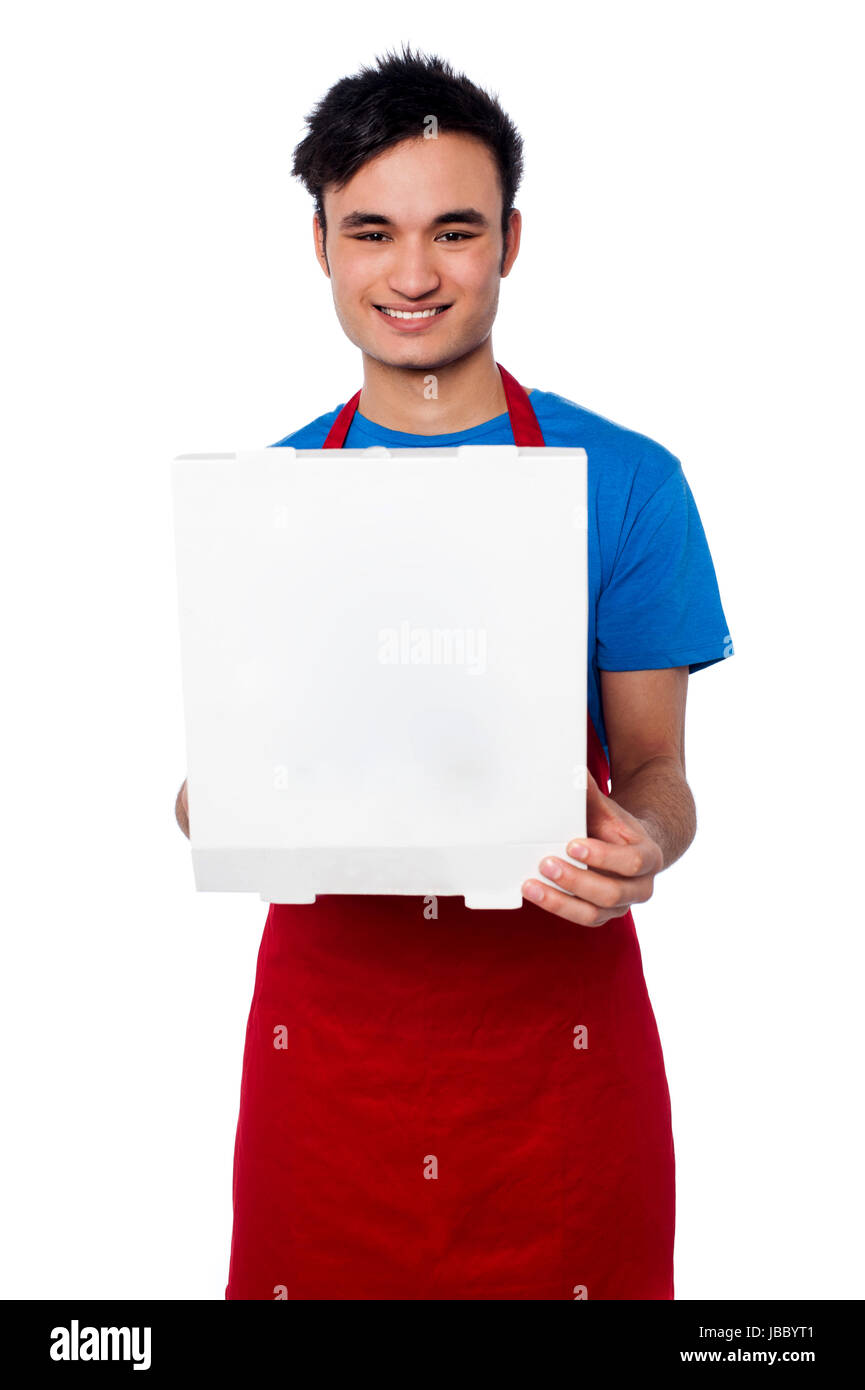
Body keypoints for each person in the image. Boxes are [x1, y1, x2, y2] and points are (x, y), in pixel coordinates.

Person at [175, 45, 734, 1300]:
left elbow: (657, 773)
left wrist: (641, 838)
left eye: (455, 231)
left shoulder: (630, 481)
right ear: (318, 242)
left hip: (555, 1059)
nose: (414, 274)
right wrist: (208, 802)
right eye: (371, 230)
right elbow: (219, 776)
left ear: (512, 241)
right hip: (329, 1056)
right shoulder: (263, 501)